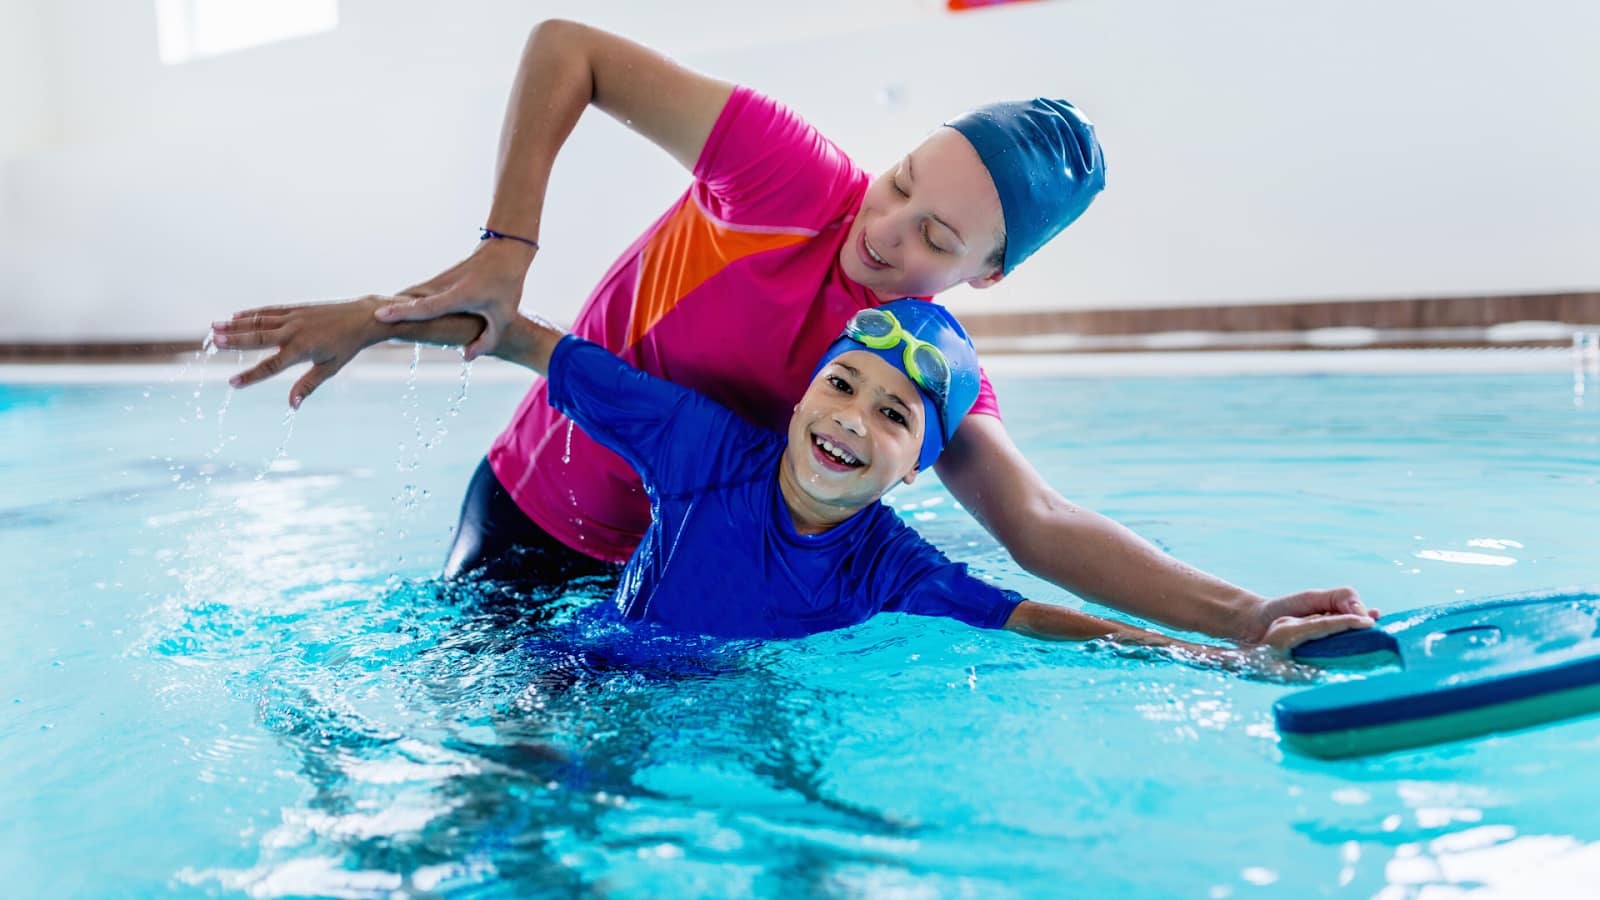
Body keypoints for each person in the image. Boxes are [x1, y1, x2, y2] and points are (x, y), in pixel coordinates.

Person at [213, 19, 1379, 645]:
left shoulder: (919, 370)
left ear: (986, 274)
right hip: (527, 514)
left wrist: (1241, 614)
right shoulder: (782, 172)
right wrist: (495, 254)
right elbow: (565, 46)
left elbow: (1037, 523)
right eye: (901, 182)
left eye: (936, 238)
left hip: (660, 587)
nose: (887, 233)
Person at [213, 295, 1373, 657]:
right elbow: (531, 343)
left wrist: (1229, 649)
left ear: (919, 467)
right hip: (583, 667)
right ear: (801, 396)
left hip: (721, 697)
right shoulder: (705, 449)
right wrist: (371, 323)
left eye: (894, 416)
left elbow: (1047, 625)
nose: (852, 423)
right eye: (841, 388)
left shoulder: (890, 562)